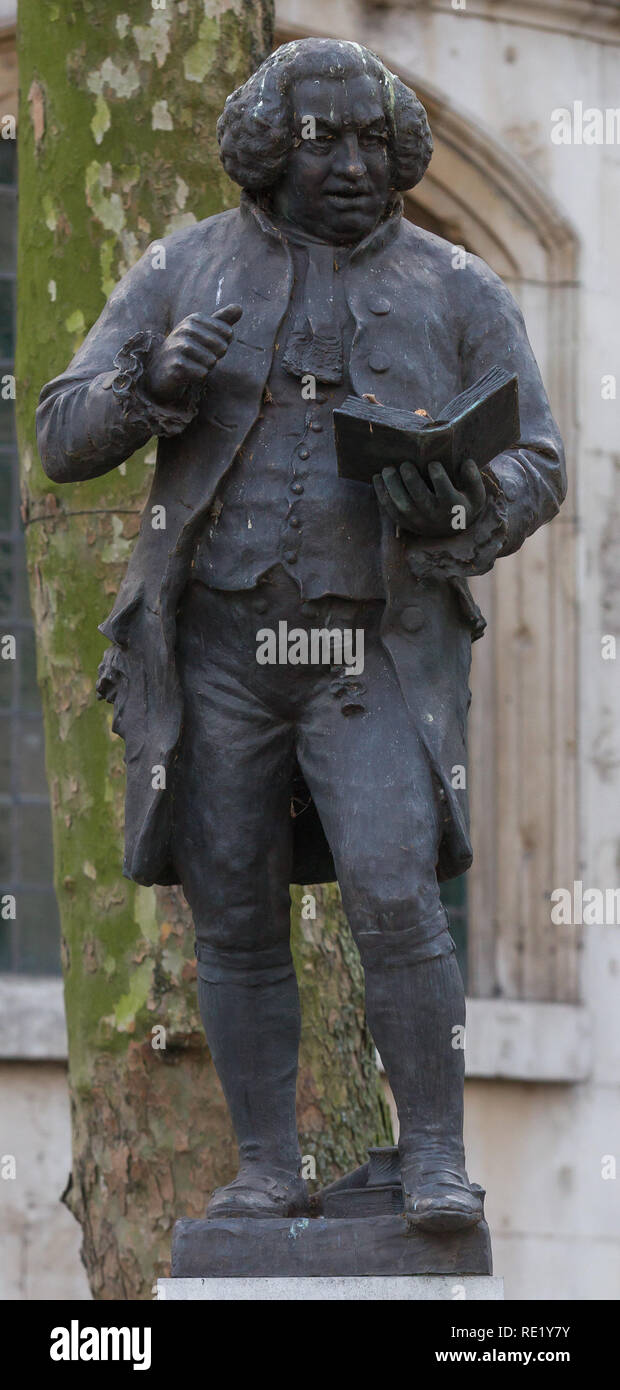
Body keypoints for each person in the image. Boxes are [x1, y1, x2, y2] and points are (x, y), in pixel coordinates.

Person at [37, 38, 566, 1230]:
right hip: (219, 651)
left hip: (363, 650)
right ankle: (266, 1167)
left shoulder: (457, 287)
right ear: (268, 148)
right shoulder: (182, 266)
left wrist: (468, 512)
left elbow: (537, 459)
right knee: (231, 907)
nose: (348, 164)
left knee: (391, 891)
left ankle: (435, 1157)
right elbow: (63, 432)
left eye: (372, 141)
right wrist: (152, 384)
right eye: (321, 139)